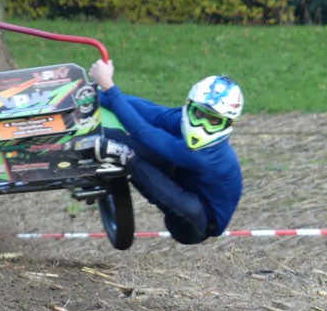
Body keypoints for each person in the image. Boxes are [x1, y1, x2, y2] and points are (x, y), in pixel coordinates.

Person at [89, 59, 243, 245]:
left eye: (214, 121)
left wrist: (108, 86)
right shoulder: (181, 119)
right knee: (119, 137)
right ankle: (121, 155)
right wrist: (94, 95)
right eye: (200, 114)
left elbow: (143, 131)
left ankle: (127, 158)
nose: (203, 124)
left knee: (133, 148)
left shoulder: (204, 158)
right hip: (182, 176)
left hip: (195, 227)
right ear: (189, 106)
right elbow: (151, 112)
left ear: (229, 124)